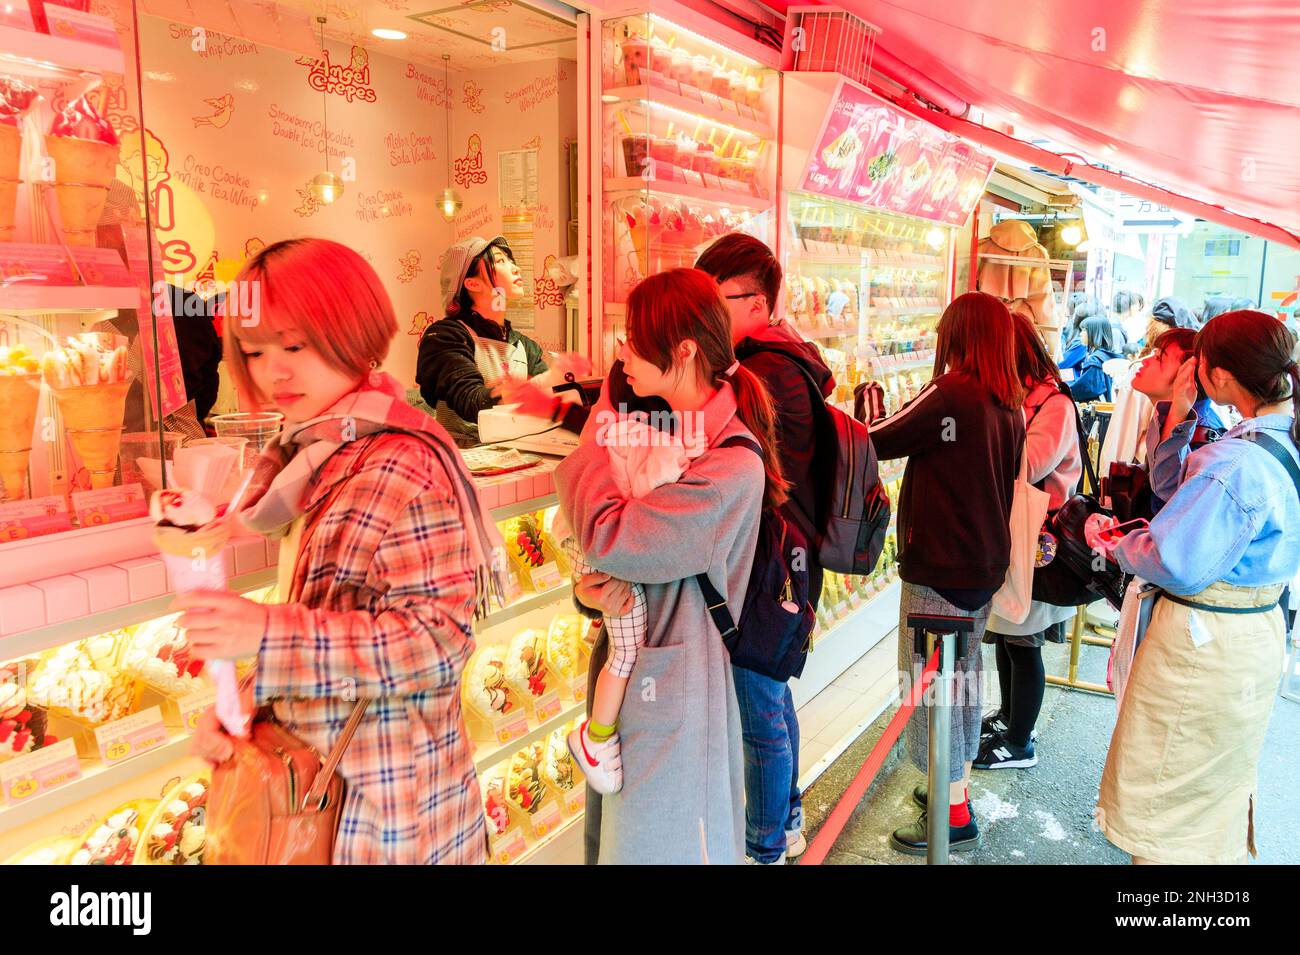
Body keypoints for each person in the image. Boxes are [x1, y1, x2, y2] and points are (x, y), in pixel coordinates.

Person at [178, 238, 496, 864]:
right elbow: (333, 614)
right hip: (325, 805)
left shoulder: (405, 460)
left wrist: (268, 637)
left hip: (395, 820)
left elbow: (437, 642)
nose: (275, 371)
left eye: (295, 345)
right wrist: (250, 698)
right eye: (255, 350)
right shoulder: (314, 455)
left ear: (354, 330)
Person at [555, 267, 783, 865]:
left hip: (681, 686)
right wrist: (593, 594)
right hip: (646, 669)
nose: (622, 353)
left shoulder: (730, 466)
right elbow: (624, 562)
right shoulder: (666, 431)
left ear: (682, 351)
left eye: (634, 338)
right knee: (622, 839)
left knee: (664, 843)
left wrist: (590, 445)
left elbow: (614, 536)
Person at [1097, 310, 1300, 865]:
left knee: (1172, 810)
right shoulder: (1269, 438)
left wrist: (1116, 544)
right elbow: (1173, 490)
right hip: (1252, 633)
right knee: (1211, 798)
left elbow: (1173, 557)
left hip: (1205, 643)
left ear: (1221, 376)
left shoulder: (1234, 461)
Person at [868, 291, 1025, 854]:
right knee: (958, 681)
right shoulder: (1009, 399)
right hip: (982, 566)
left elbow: (878, 439)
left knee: (930, 685)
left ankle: (950, 811)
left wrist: (860, 411)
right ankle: (952, 790)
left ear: (956, 334)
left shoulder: (951, 389)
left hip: (941, 566)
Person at [696, 232, 834, 865]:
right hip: (786, 563)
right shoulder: (780, 357)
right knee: (772, 695)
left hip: (769, 567)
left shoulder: (765, 371)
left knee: (758, 708)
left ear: (756, 302)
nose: (703, 314)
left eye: (712, 298)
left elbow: (708, 445)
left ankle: (764, 847)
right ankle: (789, 819)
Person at [978, 314, 1082, 770]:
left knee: (1024, 641)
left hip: (1039, 541)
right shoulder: (1021, 397)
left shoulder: (1053, 403)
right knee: (1006, 633)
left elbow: (1028, 464)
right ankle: (1008, 718)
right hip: (1015, 535)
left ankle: (1021, 742)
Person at [416, 236, 573, 447]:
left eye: (511, 260)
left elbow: (545, 407)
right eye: (500, 261)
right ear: (473, 283)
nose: (516, 268)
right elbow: (471, 400)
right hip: (463, 459)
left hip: (517, 452)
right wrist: (522, 389)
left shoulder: (524, 346)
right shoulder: (444, 337)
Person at [1128, 327, 1225, 511]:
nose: (1145, 361)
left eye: (1159, 358)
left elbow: (1174, 504)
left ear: (1188, 376)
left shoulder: (1200, 437)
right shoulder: (1170, 417)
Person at [1066, 314, 1122, 402]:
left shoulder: (1095, 360)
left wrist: (1065, 389)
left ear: (1095, 333)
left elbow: (1087, 388)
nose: (1080, 334)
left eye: (1084, 330)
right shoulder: (1105, 355)